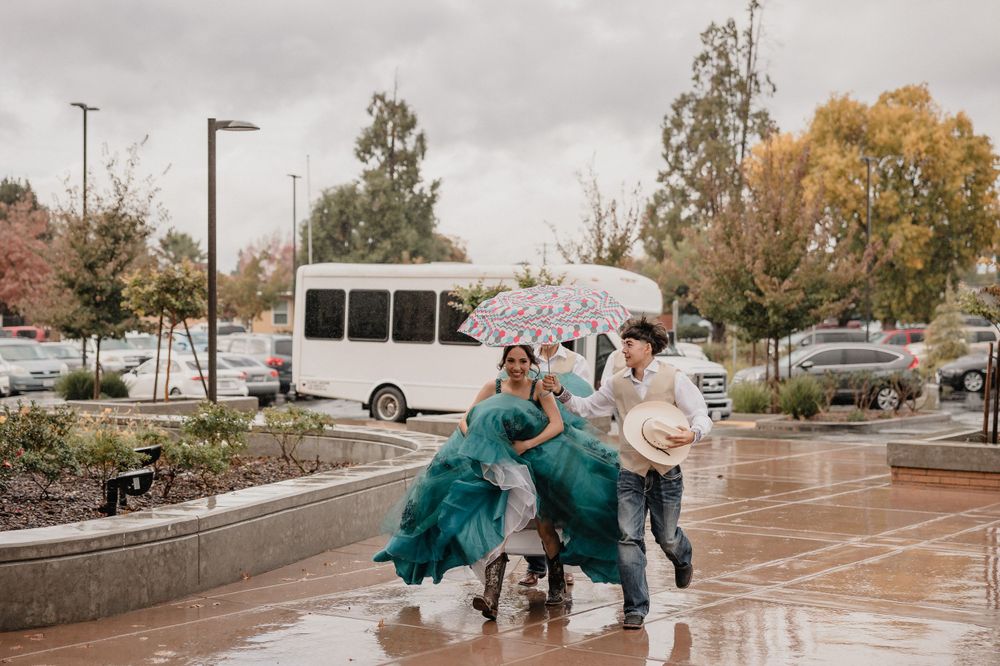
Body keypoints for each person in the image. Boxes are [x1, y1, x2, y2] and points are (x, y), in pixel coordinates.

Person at [374, 344, 621, 621]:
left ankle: (556, 584)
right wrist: (482, 442)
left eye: (523, 361)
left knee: (545, 524)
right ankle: (491, 596)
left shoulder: (538, 388)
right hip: (498, 464)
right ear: (503, 362)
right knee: (491, 518)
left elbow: (556, 425)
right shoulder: (494, 386)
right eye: (511, 361)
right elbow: (465, 421)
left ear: (531, 363)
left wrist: (526, 444)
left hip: (537, 461)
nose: (517, 367)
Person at [543, 317, 712, 631]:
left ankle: (682, 556)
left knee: (667, 537)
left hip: (666, 473)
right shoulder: (617, 381)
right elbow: (586, 407)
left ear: (647, 348)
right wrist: (560, 391)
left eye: (629, 344)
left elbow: (700, 413)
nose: (623, 350)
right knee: (628, 539)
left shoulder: (673, 378)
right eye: (623, 344)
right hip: (630, 473)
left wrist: (693, 433)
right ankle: (635, 608)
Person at [519, 342, 592, 589]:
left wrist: (558, 389)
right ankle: (535, 565)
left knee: (559, 502)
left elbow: (582, 400)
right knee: (531, 498)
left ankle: (563, 566)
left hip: (564, 434)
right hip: (533, 432)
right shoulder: (527, 356)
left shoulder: (576, 360)